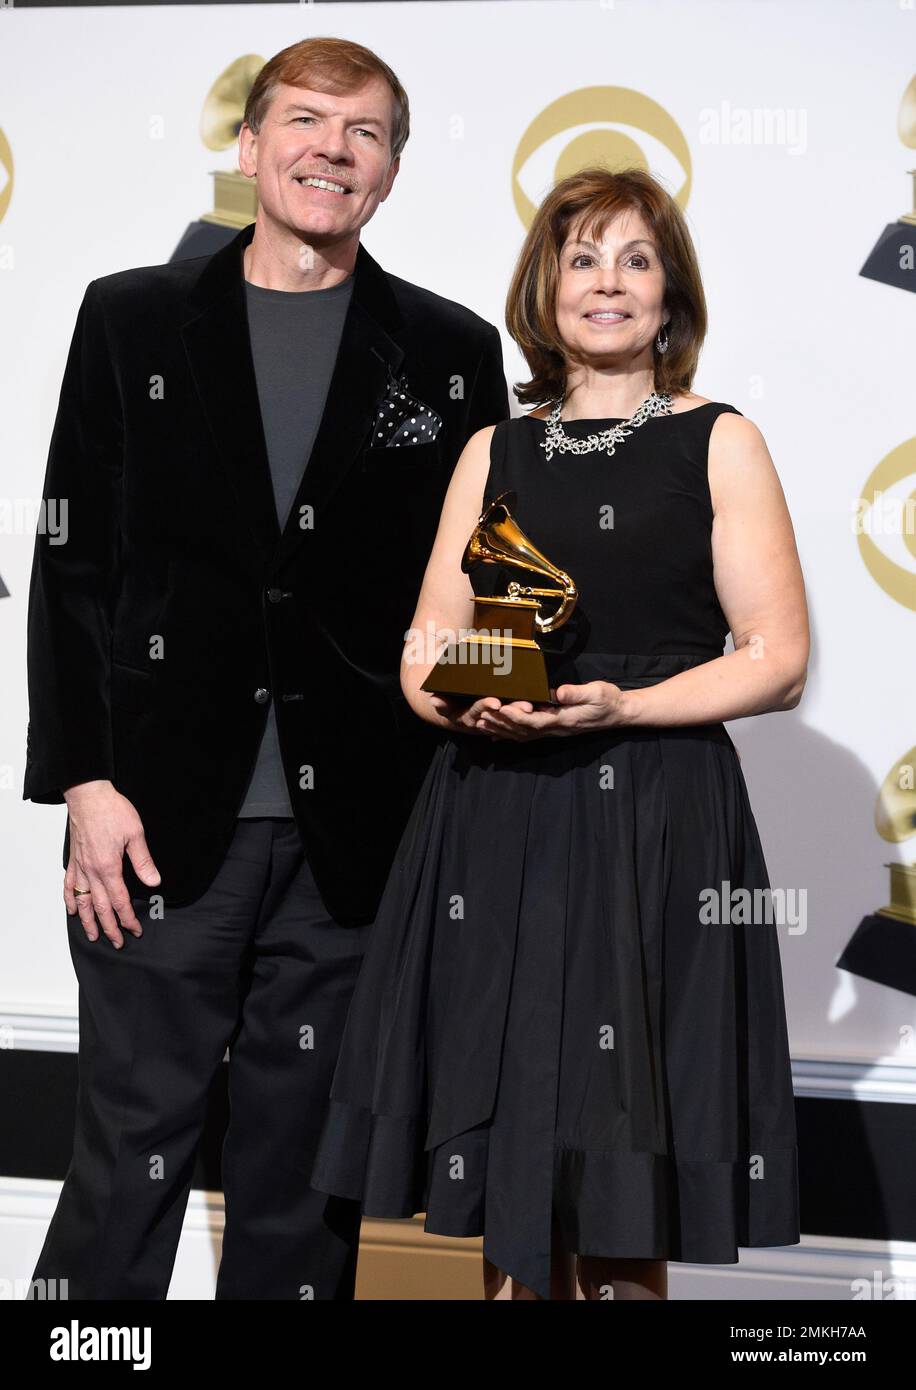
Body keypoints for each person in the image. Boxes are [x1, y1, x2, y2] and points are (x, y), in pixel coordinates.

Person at [23, 36, 508, 1300]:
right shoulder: (128, 317)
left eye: (362, 133)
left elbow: (476, 590)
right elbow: (74, 565)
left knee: (305, 1192)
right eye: (303, 121)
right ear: (248, 146)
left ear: (393, 168)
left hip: (358, 842)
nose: (329, 151)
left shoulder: (449, 351)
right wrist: (85, 783)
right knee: (127, 1162)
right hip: (154, 828)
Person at [309, 165, 808, 1300]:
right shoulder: (495, 448)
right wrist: (467, 696)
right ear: (544, 289)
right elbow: (428, 645)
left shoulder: (717, 439)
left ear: (670, 296)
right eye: (582, 258)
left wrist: (624, 704)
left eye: (636, 259)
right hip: (498, 813)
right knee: (511, 1135)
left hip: (654, 811)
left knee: (625, 1139)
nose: (607, 283)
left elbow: (775, 660)